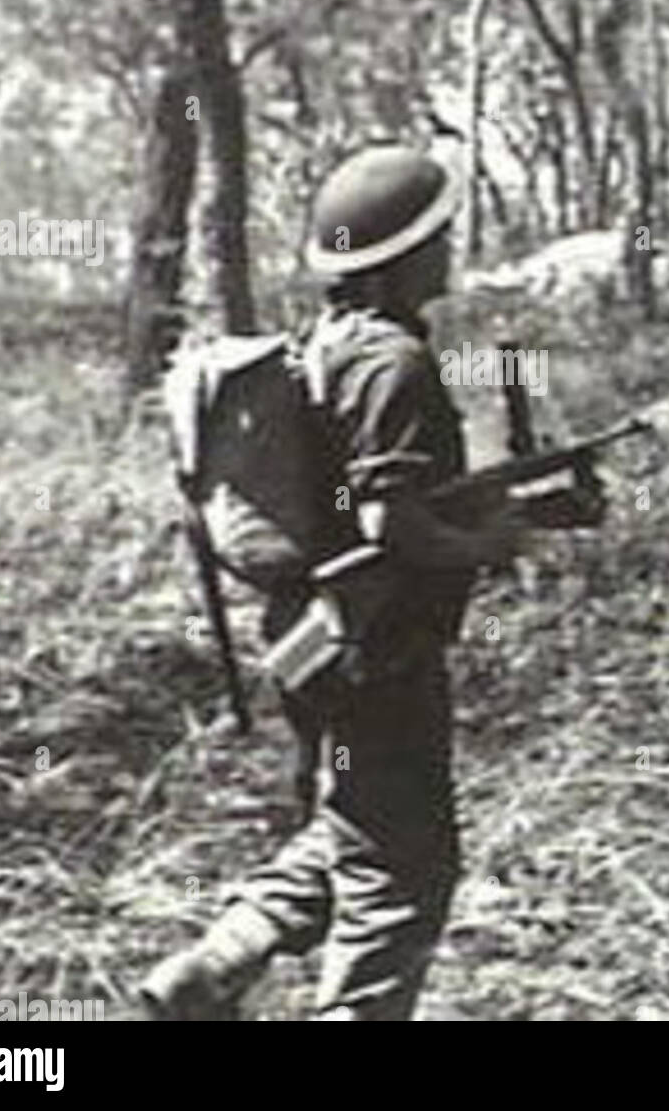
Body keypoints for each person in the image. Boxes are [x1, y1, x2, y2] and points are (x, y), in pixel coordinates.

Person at [139, 145, 527, 1021]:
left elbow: (369, 502)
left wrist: (503, 502)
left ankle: (210, 970)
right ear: (407, 256)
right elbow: (394, 521)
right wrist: (493, 544)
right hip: (378, 649)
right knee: (404, 873)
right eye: (441, 234)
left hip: (313, 640)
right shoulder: (396, 364)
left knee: (360, 826)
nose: (450, 248)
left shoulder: (327, 348)